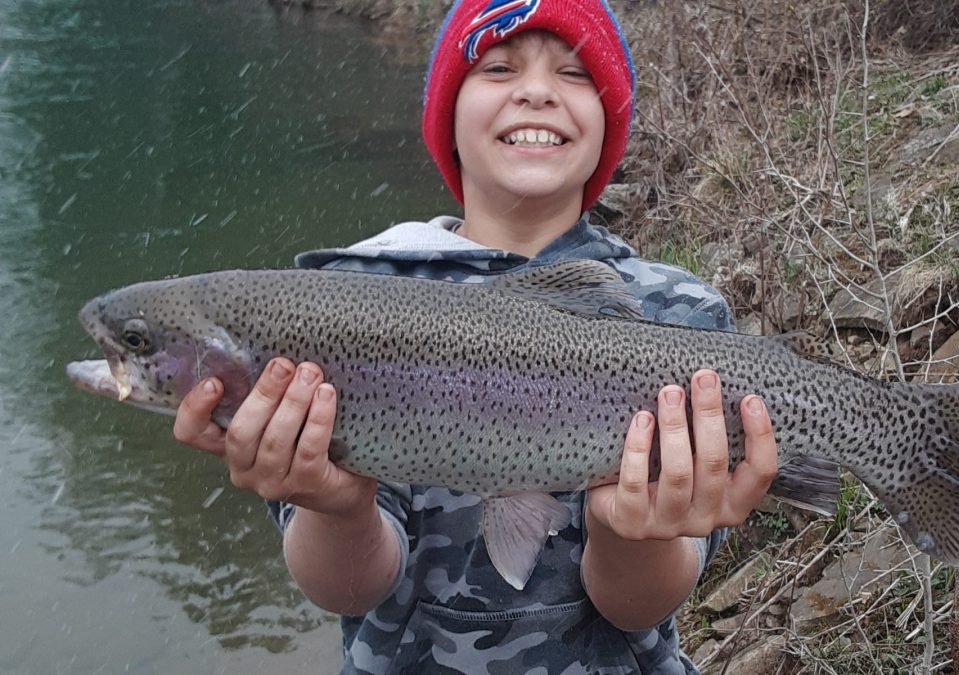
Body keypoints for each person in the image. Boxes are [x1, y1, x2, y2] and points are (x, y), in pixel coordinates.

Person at [173, 0, 779, 672]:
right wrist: (336, 508)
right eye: (497, 67)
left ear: (608, 124)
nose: (536, 89)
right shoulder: (346, 305)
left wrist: (625, 529)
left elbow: (638, 606)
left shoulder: (680, 315)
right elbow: (348, 587)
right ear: (446, 121)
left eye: (575, 74)